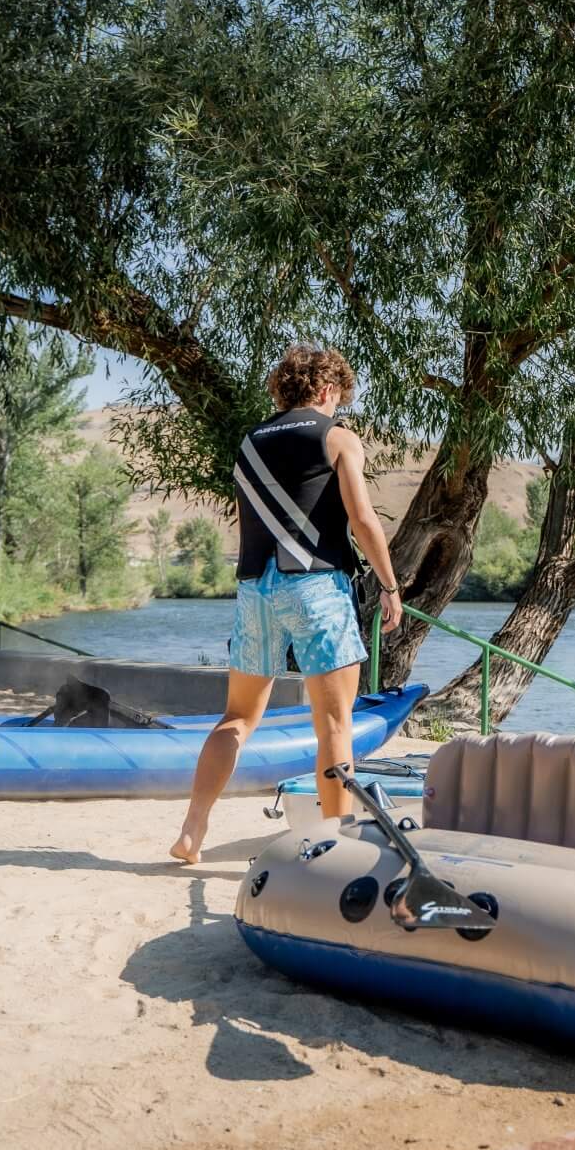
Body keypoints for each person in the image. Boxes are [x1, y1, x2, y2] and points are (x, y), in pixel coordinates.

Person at [169, 345, 403, 864]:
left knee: (236, 717)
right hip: (316, 586)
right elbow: (362, 520)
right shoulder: (337, 437)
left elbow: (246, 522)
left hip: (256, 587)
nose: (339, 405)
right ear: (326, 390)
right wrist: (389, 585)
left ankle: (193, 828)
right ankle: (336, 843)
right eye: (338, 396)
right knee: (335, 725)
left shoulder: (248, 444)